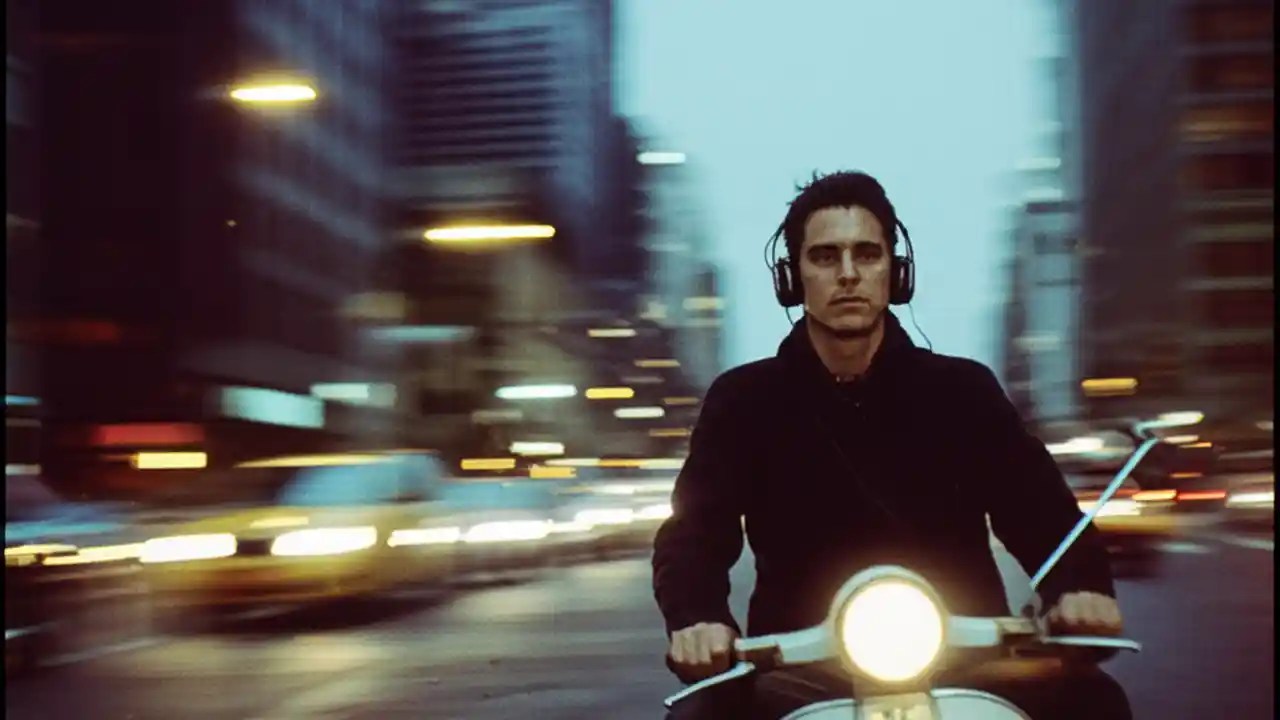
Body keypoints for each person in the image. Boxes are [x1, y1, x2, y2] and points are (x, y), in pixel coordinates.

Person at [652, 171, 1132, 719]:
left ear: (895, 273)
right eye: (826, 256)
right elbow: (693, 534)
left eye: (868, 253)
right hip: (800, 666)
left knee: (1095, 702)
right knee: (695, 718)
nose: (849, 274)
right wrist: (697, 620)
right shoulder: (743, 400)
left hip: (970, 655)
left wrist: (1080, 587)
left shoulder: (963, 390)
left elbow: (1042, 511)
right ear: (793, 277)